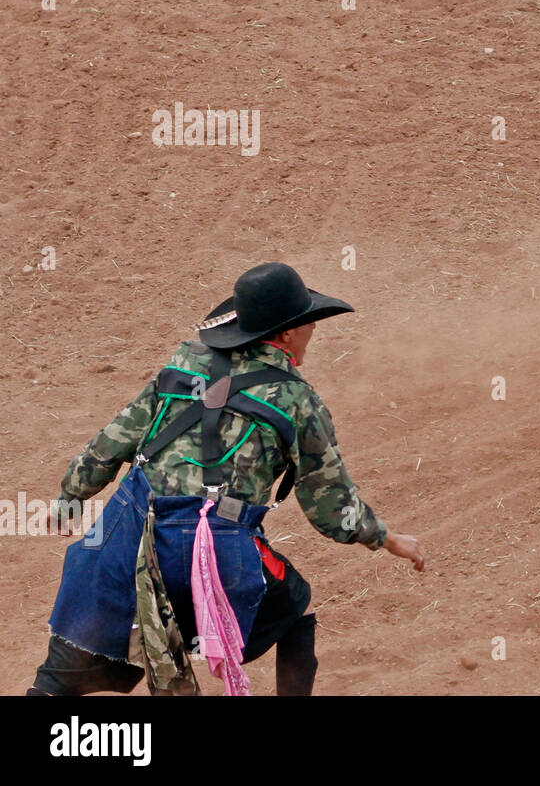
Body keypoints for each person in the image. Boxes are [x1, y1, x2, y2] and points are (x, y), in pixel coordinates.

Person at [27, 262, 425, 696]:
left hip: (120, 545)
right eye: (308, 322)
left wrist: (70, 497)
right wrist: (386, 538)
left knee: (60, 678)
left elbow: (111, 443)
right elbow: (330, 508)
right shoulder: (297, 399)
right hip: (213, 555)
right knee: (291, 603)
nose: (314, 330)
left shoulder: (184, 362)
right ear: (288, 334)